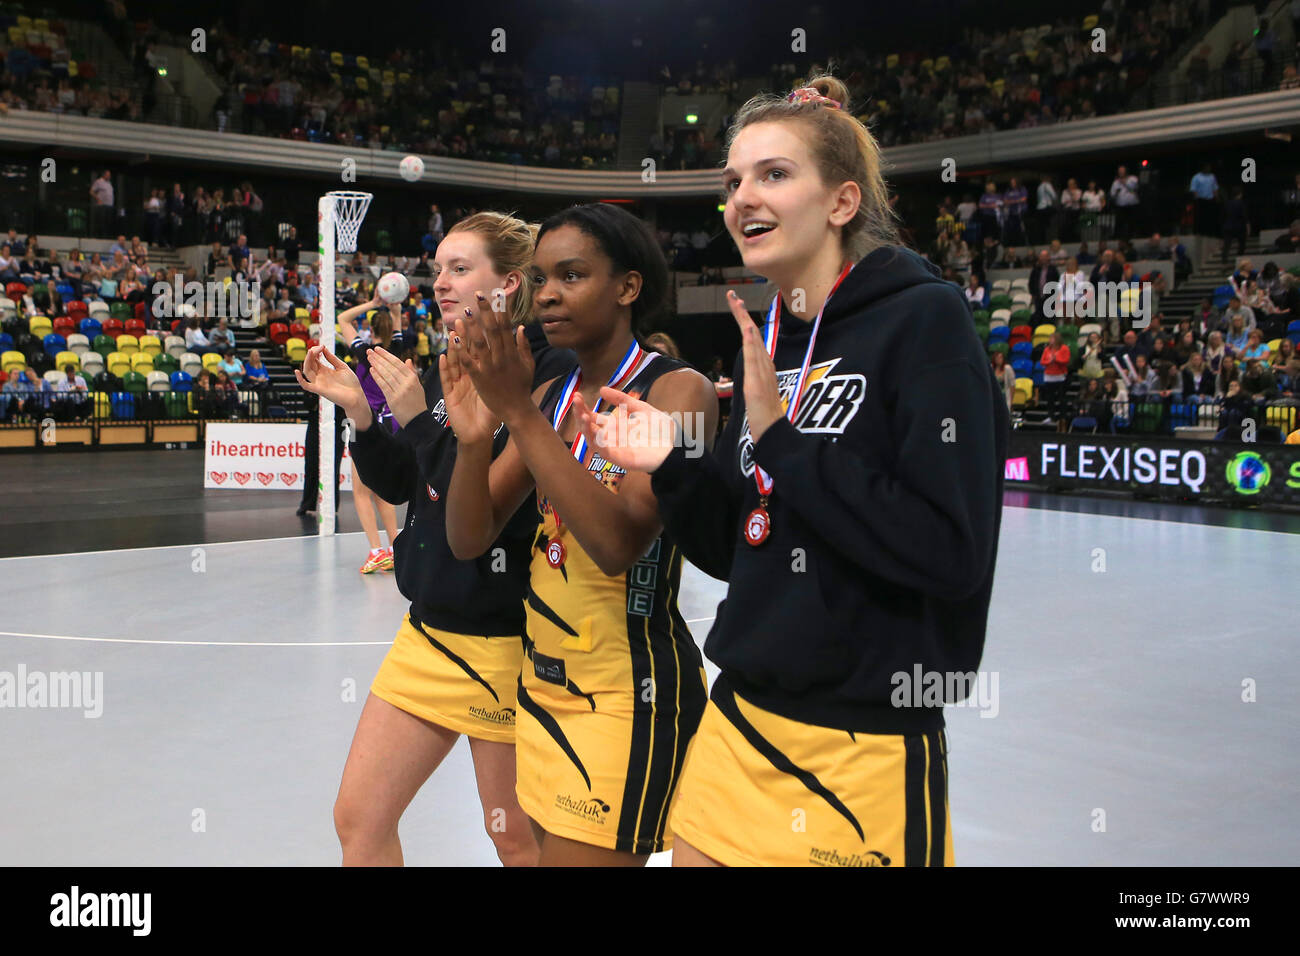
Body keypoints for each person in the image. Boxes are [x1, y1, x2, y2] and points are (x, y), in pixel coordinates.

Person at [571, 75, 1007, 866]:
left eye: (774, 174)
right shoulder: (775, 339)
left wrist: (783, 445)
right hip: (739, 718)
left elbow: (951, 551)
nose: (742, 197)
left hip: (863, 741)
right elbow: (743, 548)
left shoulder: (924, 319)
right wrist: (673, 465)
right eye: (733, 181)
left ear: (841, 203)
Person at [443, 202, 717, 865]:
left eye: (571, 275)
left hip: (627, 693)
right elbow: (469, 538)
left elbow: (619, 545)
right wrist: (476, 442)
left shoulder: (679, 391)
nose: (548, 296)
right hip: (541, 688)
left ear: (627, 287)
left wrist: (517, 413)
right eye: (539, 280)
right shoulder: (550, 394)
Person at [299, 211, 575, 867]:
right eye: (438, 270)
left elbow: (475, 512)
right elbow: (402, 482)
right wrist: (365, 416)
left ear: (509, 284)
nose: (440, 284)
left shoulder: (548, 374)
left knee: (513, 836)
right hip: (428, 635)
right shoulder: (448, 363)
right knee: (360, 818)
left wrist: (422, 422)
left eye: (460, 269)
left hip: (509, 641)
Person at [334, 294, 405, 574]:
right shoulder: (399, 348)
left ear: (372, 329)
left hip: (365, 425)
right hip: (392, 425)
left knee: (361, 491)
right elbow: (396, 323)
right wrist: (394, 307)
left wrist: (374, 302)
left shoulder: (366, 352)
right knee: (382, 489)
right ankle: (395, 548)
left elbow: (343, 319)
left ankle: (376, 551)